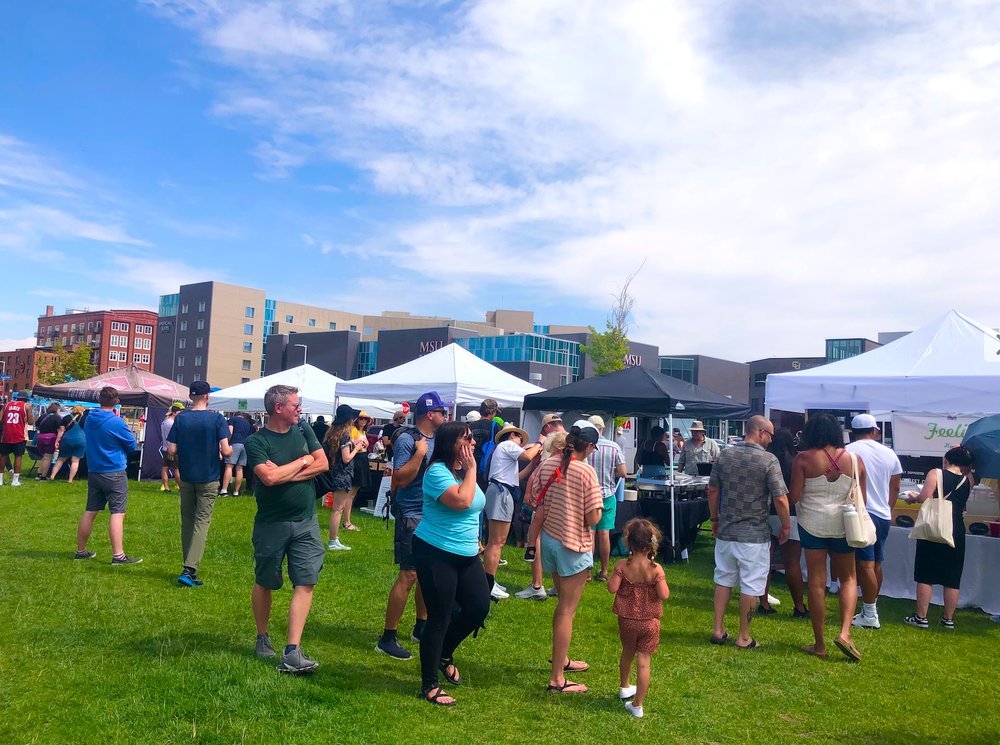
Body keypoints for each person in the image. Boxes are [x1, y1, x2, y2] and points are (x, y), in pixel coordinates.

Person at [245, 384, 329, 673]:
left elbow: (324, 464)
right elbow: (268, 479)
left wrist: (287, 472)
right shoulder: (256, 442)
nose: (299, 409)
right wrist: (303, 461)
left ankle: (292, 651)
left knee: (306, 581)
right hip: (271, 523)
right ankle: (262, 636)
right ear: (278, 408)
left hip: (306, 521)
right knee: (265, 580)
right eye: (295, 404)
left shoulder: (305, 430)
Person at [412, 421, 490, 706]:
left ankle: (444, 653)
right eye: (466, 439)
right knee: (439, 618)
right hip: (435, 552)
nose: (472, 443)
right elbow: (461, 501)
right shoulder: (436, 472)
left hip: (467, 553)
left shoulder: (462, 472)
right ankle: (429, 685)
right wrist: (471, 470)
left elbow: (475, 506)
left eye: (472, 439)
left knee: (478, 607)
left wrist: (477, 537)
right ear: (450, 444)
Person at [525, 421, 603, 693]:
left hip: (549, 541)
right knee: (566, 612)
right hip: (573, 545)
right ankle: (557, 678)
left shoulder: (547, 463)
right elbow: (593, 517)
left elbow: (532, 498)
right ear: (590, 446)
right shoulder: (586, 471)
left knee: (563, 608)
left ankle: (563, 660)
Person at [790, 413, 867, 661]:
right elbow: (861, 500)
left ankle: (820, 644)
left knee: (815, 581)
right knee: (848, 578)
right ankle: (845, 633)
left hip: (812, 524)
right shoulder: (855, 460)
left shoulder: (804, 459)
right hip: (846, 525)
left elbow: (793, 497)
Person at [377, 391, 448, 660]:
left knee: (426, 573)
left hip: (431, 511)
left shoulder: (437, 438)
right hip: (411, 511)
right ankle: (388, 637)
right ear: (430, 414)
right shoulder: (409, 439)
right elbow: (401, 478)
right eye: (442, 412)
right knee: (408, 575)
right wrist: (419, 456)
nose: (446, 415)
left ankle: (421, 626)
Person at [708, 415, 790, 649]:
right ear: (762, 432)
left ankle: (718, 629)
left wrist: (715, 518)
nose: (771, 441)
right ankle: (744, 636)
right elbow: (781, 499)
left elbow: (713, 490)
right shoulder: (768, 460)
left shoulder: (725, 454)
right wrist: (786, 526)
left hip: (726, 531)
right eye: (770, 436)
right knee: (751, 586)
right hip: (754, 535)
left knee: (723, 580)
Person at [167, 380, 232, 587]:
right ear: (207, 396)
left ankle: (189, 566)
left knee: (187, 521)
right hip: (209, 476)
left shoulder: (181, 418)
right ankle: (190, 568)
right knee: (202, 521)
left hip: (186, 476)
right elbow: (227, 449)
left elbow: (171, 450)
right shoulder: (217, 419)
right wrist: (223, 452)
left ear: (189, 397)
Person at [903, 446, 975, 630]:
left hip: (934, 526)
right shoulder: (969, 480)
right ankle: (948, 619)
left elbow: (924, 497)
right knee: (952, 576)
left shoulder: (936, 473)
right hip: (956, 528)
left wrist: (913, 497)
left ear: (946, 460)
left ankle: (921, 617)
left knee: (925, 573)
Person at [608, 518, 670, 719]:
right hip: (650, 622)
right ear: (651, 542)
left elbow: (612, 588)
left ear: (629, 542)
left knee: (627, 652)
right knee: (644, 663)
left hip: (627, 620)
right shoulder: (656, 568)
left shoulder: (622, 565)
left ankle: (624, 686)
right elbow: (664, 595)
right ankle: (638, 705)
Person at [846, 414, 902, 629]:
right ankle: (869, 609)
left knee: (864, 564)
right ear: (875, 431)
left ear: (853, 431)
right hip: (883, 514)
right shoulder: (889, 453)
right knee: (876, 563)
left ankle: (870, 613)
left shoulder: (849, 450)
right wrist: (889, 508)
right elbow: (895, 487)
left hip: (861, 512)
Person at [74, 387, 141, 564]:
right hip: (114, 471)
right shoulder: (117, 422)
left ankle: (81, 551)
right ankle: (118, 555)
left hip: (94, 470)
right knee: (117, 513)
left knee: (90, 510)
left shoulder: (89, 419)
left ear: (99, 400)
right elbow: (131, 444)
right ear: (117, 401)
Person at [483, 423, 543, 599]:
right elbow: (527, 454)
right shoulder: (507, 445)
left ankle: (489, 580)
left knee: (496, 541)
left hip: (501, 491)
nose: (521, 442)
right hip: (501, 493)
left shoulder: (503, 451)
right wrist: (539, 443)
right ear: (511, 436)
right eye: (519, 438)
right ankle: (488, 584)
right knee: (497, 542)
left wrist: (532, 465)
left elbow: (515, 478)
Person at [761, 428, 808, 618]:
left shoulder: (766, 460)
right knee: (792, 563)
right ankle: (799, 606)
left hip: (766, 512)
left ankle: (763, 603)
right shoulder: (795, 461)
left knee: (765, 561)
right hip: (792, 514)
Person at [587, 415, 627, 582]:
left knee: (589, 533)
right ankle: (604, 571)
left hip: (588, 495)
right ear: (603, 428)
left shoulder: (585, 447)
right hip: (607, 494)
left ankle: (587, 572)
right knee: (604, 534)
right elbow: (623, 473)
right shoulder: (613, 447)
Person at [324, 404, 362, 551]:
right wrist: (357, 448)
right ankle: (332, 541)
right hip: (343, 474)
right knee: (337, 510)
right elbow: (346, 458)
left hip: (333, 472)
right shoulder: (345, 435)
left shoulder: (332, 433)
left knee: (337, 509)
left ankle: (335, 539)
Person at [344, 411, 372, 531]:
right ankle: (347, 522)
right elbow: (353, 445)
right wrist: (361, 444)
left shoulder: (363, 431)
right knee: (351, 493)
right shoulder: (353, 430)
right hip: (357, 460)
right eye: (361, 418)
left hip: (363, 459)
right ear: (357, 419)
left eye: (365, 419)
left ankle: (347, 520)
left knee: (353, 493)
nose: (363, 420)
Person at [0, 391, 35, 487]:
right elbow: (31, 422)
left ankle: (0, 479)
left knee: (3, 456)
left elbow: (1, 419)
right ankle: (15, 480)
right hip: (19, 434)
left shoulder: (7, 405)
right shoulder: (26, 406)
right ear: (25, 399)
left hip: (6, 434)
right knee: (18, 456)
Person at [50, 404, 87, 483]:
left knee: (61, 459)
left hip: (67, 440)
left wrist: (57, 440)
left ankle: (52, 476)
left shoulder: (66, 418)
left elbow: (61, 431)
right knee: (75, 461)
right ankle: (70, 479)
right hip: (81, 440)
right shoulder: (85, 419)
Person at [222, 412, 254, 496]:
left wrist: (227, 444)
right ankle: (236, 492)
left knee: (229, 466)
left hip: (234, 444)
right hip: (244, 446)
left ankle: (224, 491)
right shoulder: (247, 424)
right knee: (240, 469)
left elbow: (230, 432)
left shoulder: (232, 420)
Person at [33, 402, 63, 480]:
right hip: (50, 438)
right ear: (57, 409)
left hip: (40, 438)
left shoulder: (42, 417)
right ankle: (44, 476)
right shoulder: (57, 418)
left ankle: (39, 474)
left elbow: (37, 426)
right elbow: (59, 429)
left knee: (43, 457)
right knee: (48, 457)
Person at [160, 404, 183, 492]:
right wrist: (172, 451)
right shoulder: (171, 424)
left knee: (165, 467)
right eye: (179, 412)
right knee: (177, 469)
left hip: (165, 448)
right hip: (172, 449)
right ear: (174, 413)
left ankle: (165, 486)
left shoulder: (164, 422)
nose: (180, 414)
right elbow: (172, 438)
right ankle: (181, 487)